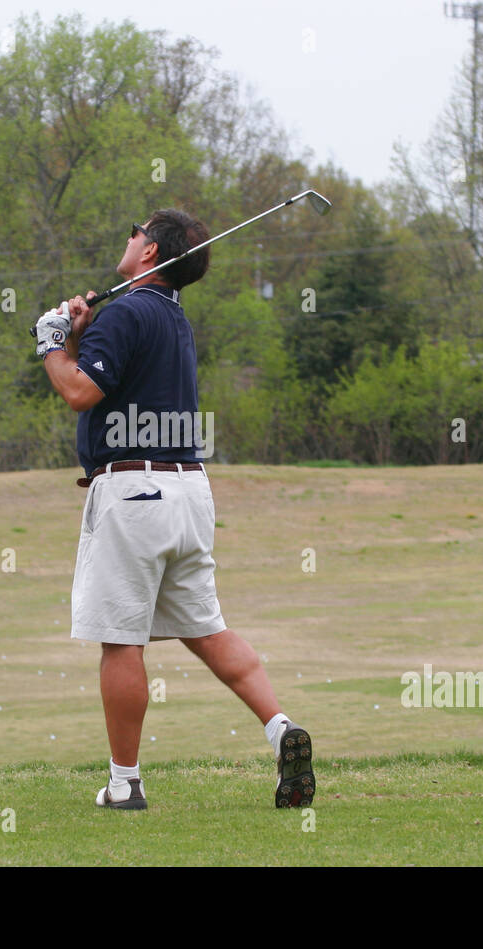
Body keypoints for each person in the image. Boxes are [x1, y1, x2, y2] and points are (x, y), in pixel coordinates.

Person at [33, 208, 314, 810]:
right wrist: (81, 335)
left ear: (151, 253)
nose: (128, 234)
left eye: (136, 230)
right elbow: (111, 377)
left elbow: (81, 392)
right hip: (188, 492)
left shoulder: (128, 311)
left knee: (119, 639)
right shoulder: (169, 317)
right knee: (206, 629)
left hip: (135, 494)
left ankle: (124, 783)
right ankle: (282, 729)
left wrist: (51, 344)